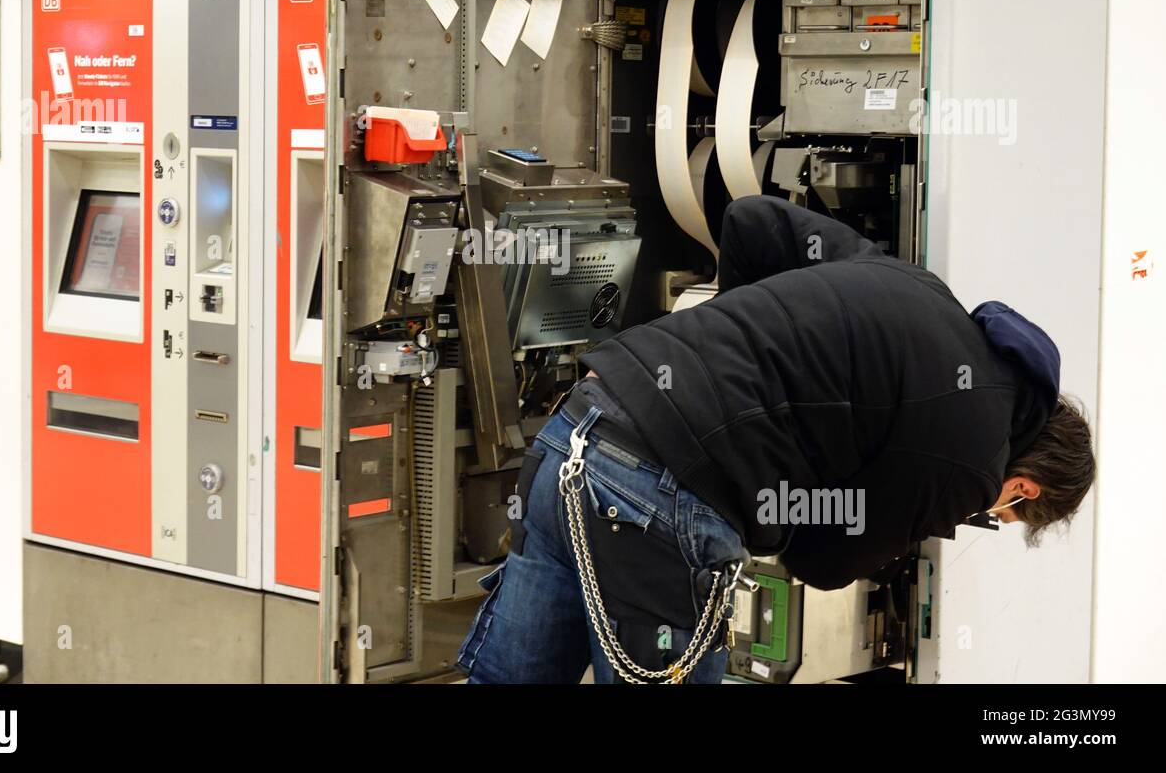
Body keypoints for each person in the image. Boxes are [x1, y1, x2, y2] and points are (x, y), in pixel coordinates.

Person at [455, 195, 1095, 684]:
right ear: (1022, 485)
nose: (987, 509)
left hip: (582, 427)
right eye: (1006, 513)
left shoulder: (921, 288)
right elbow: (826, 562)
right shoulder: (972, 459)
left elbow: (751, 221)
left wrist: (739, 354)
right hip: (660, 492)